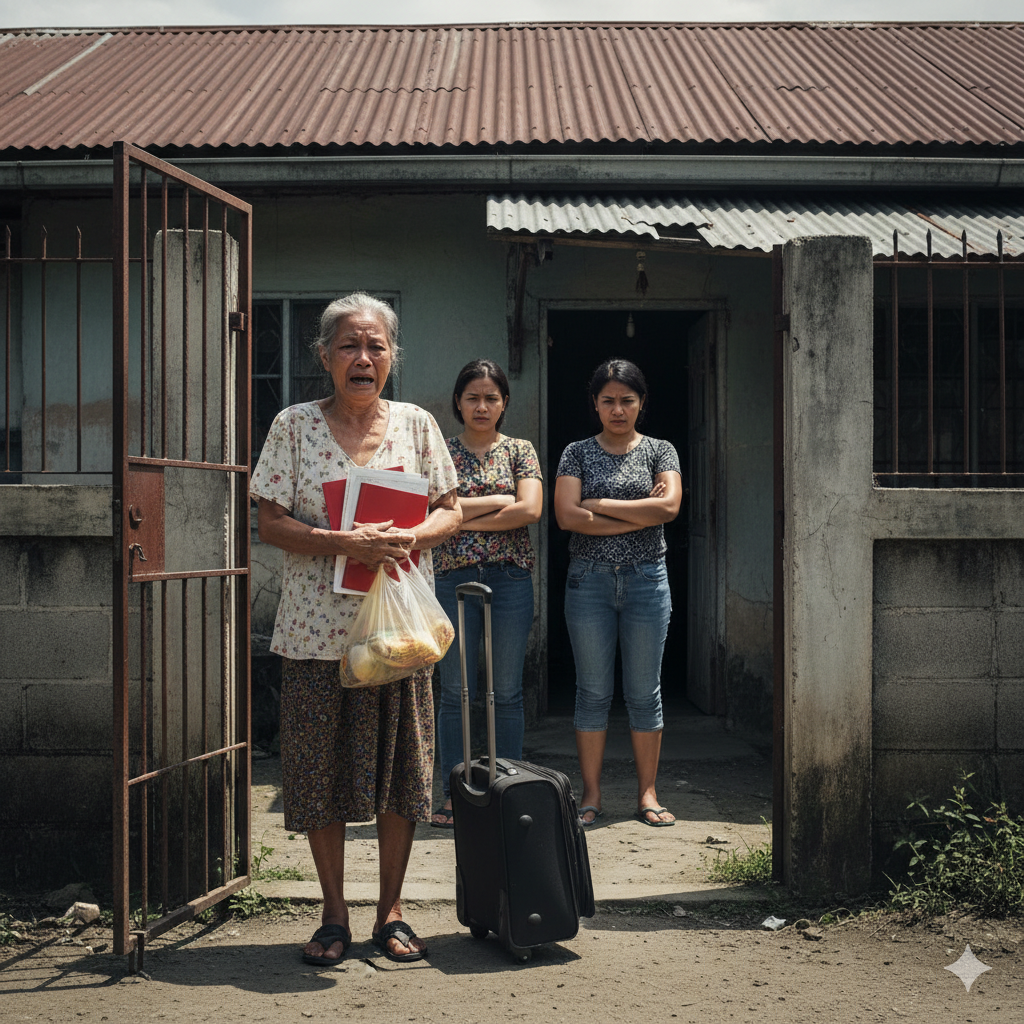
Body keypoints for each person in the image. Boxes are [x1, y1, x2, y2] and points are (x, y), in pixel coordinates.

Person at [250, 292, 460, 966]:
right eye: (349, 345)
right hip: (317, 634)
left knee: (403, 772)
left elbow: (450, 511)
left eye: (375, 346)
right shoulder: (293, 425)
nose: (363, 358)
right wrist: (345, 542)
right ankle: (334, 915)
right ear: (324, 357)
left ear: (391, 357)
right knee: (320, 774)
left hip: (398, 634)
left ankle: (391, 912)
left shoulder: (418, 425)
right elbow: (271, 522)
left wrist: (410, 534)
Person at [553, 358, 682, 828]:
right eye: (608, 400)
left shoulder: (661, 451)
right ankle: (591, 795)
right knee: (592, 693)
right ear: (595, 404)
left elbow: (668, 508)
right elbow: (567, 517)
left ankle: (648, 793)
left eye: (627, 400)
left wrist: (599, 505)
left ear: (641, 403)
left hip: (648, 578)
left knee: (645, 693)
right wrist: (637, 510)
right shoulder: (576, 452)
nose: (618, 409)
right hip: (589, 580)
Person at [430, 359, 543, 828]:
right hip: (452, 577)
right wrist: (500, 501)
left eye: (491, 397)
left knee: (507, 692)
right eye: (472, 397)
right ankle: (456, 794)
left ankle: (508, 789)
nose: (482, 405)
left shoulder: (520, 449)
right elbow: (429, 509)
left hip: (510, 578)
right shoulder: (441, 451)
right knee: (456, 690)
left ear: (504, 403)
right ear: (458, 402)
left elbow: (531, 510)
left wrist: (460, 515)